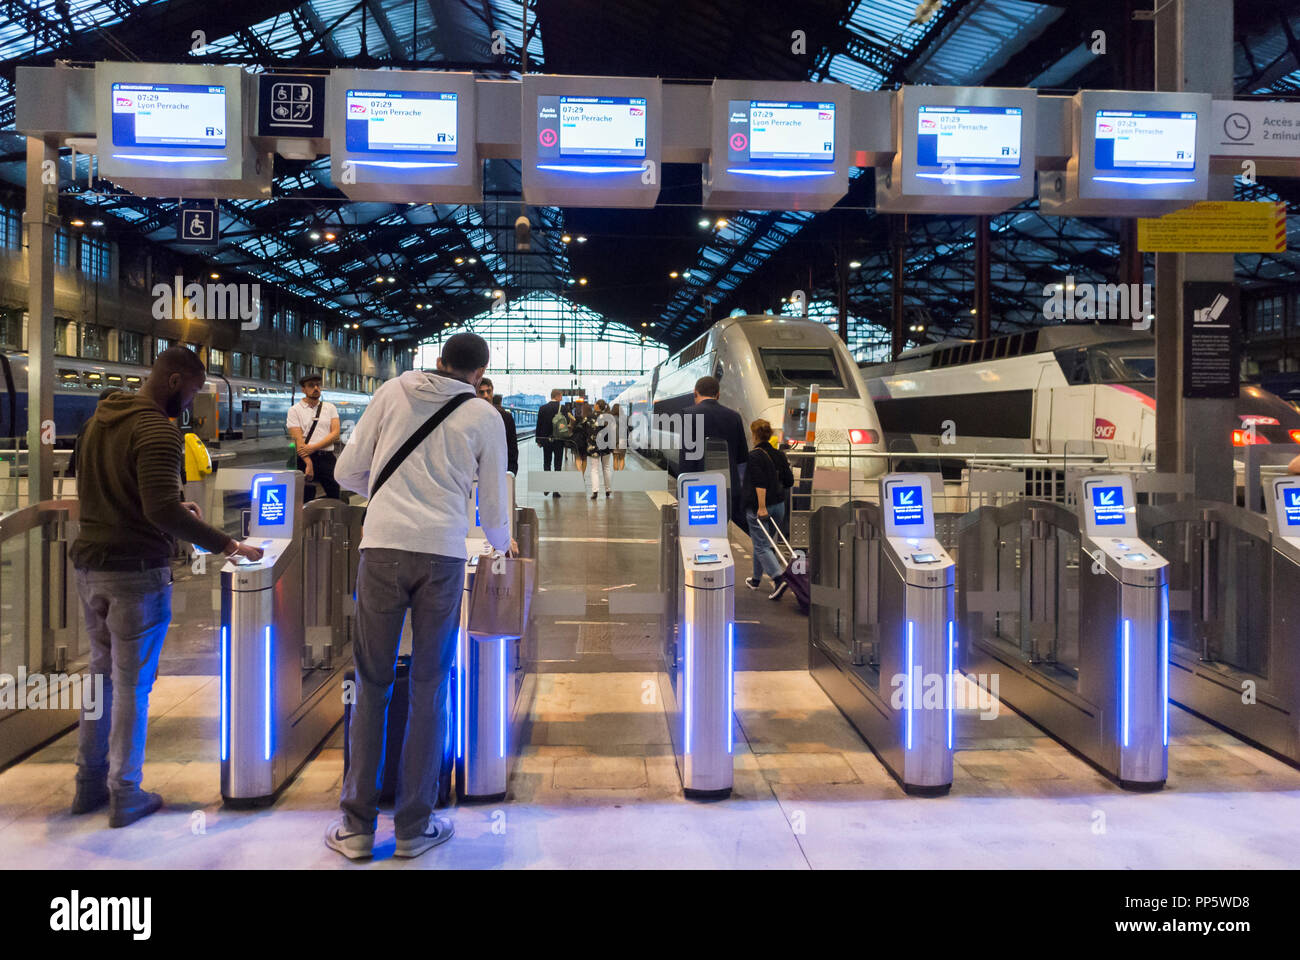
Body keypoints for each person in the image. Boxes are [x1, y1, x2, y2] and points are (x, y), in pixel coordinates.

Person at [329, 332, 514, 861]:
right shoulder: (485, 416)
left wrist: (392, 500)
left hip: (382, 548)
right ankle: (414, 826)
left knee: (372, 684)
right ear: (480, 374)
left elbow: (345, 472)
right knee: (431, 686)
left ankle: (357, 828)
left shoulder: (391, 392)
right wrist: (500, 543)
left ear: (438, 362)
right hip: (442, 556)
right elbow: (494, 509)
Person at [70, 346, 263, 827]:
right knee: (132, 684)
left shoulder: (99, 422)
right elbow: (159, 510)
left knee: (100, 678)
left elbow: (119, 492)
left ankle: (87, 785)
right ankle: (125, 792)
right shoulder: (158, 427)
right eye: (194, 391)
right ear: (175, 380)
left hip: (90, 567)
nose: (193, 402)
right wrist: (228, 545)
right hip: (135, 570)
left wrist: (177, 507)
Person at [678, 375, 748, 521]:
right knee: (725, 528)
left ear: (695, 393)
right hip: (728, 485)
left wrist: (683, 489)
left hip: (699, 486)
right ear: (718, 394)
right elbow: (742, 456)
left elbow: (688, 456)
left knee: (701, 526)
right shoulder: (735, 416)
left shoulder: (689, 414)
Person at [742, 418, 796, 600]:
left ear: (754, 435)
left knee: (762, 544)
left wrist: (762, 506)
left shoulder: (754, 456)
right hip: (779, 506)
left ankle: (779, 579)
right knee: (764, 543)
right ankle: (756, 579)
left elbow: (759, 482)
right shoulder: (779, 455)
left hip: (761, 507)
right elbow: (789, 481)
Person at [287, 373, 341, 501]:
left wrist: (313, 448)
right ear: (303, 390)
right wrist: (308, 463)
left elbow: (335, 434)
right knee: (305, 497)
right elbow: (298, 440)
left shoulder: (330, 408)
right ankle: (305, 521)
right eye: (311, 385)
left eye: (318, 385)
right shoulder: (294, 410)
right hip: (304, 459)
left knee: (334, 494)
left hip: (327, 458)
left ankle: (332, 520)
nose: (316, 388)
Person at [68, 387, 124, 479]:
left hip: (90, 481)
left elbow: (77, 456)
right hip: (115, 481)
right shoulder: (126, 426)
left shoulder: (89, 425)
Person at [477, 377, 518, 476]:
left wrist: (511, 471)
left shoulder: (506, 417)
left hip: (500, 471)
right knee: (478, 492)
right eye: (481, 392)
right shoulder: (469, 417)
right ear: (476, 394)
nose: (486, 395)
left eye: (488, 391)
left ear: (492, 392)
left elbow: (512, 447)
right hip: (477, 474)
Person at [535, 389, 563, 497]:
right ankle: (556, 490)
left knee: (547, 463)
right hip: (559, 440)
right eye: (561, 396)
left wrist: (538, 440)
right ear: (558, 396)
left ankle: (547, 487)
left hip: (546, 440)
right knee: (557, 465)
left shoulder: (543, 408)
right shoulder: (562, 408)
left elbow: (539, 425)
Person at [590, 399, 616, 499]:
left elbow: (589, 431)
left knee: (594, 469)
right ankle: (608, 489)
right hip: (607, 445)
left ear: (597, 406)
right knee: (606, 467)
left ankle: (595, 491)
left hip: (594, 446)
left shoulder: (592, 417)